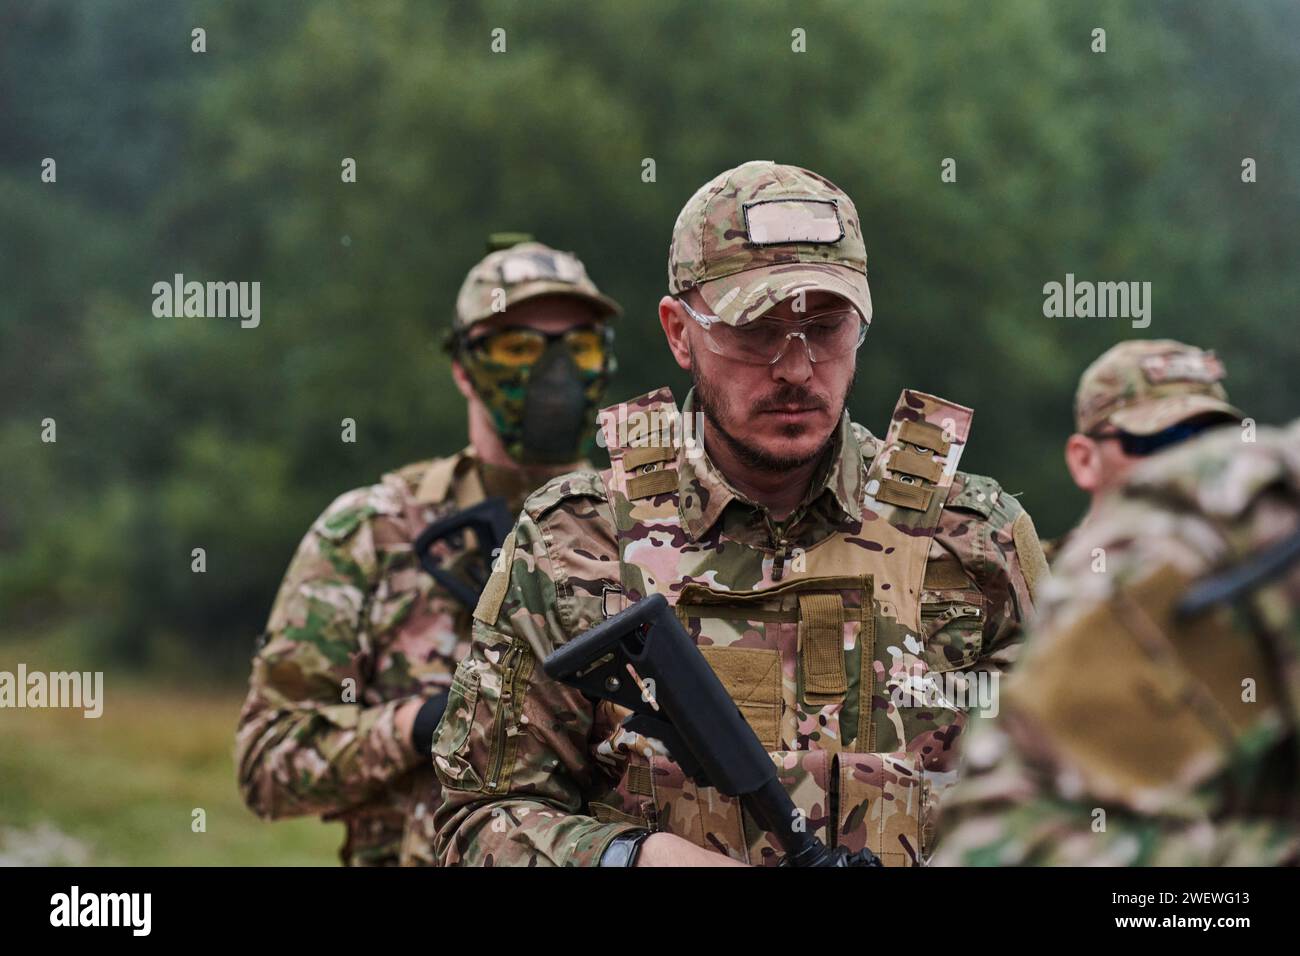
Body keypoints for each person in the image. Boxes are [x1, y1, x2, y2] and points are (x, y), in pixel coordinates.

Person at [430, 161, 1046, 867]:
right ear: (678, 331)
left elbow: (1084, 799)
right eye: (756, 331)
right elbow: (477, 823)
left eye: (825, 326)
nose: (795, 367)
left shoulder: (972, 537)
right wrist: (637, 860)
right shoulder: (576, 539)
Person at [234, 237, 621, 865]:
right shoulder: (375, 532)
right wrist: (419, 725)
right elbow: (266, 765)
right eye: (518, 346)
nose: (555, 371)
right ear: (464, 368)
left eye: (577, 346)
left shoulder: (640, 533)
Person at [934, 419, 1300, 865]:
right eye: (1156, 437)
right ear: (1084, 459)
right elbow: (1009, 831)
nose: (1185, 453)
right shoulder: (1235, 532)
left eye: (1203, 434)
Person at [1046, 339, 1242, 562]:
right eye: (1158, 441)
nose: (1189, 462)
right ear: (1085, 461)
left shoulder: (1265, 579)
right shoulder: (1025, 588)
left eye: (1210, 439)